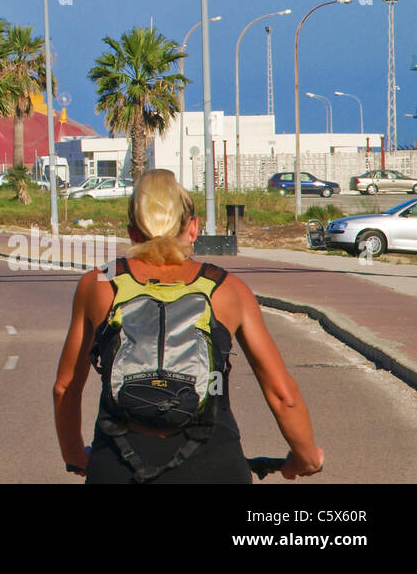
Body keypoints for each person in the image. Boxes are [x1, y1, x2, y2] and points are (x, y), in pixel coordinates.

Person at [53, 169, 324, 483]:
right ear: (193, 228)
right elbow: (282, 394)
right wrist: (304, 458)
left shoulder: (99, 283)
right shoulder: (226, 289)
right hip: (214, 464)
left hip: (116, 463)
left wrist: (74, 454)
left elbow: (65, 386)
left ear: (131, 232)